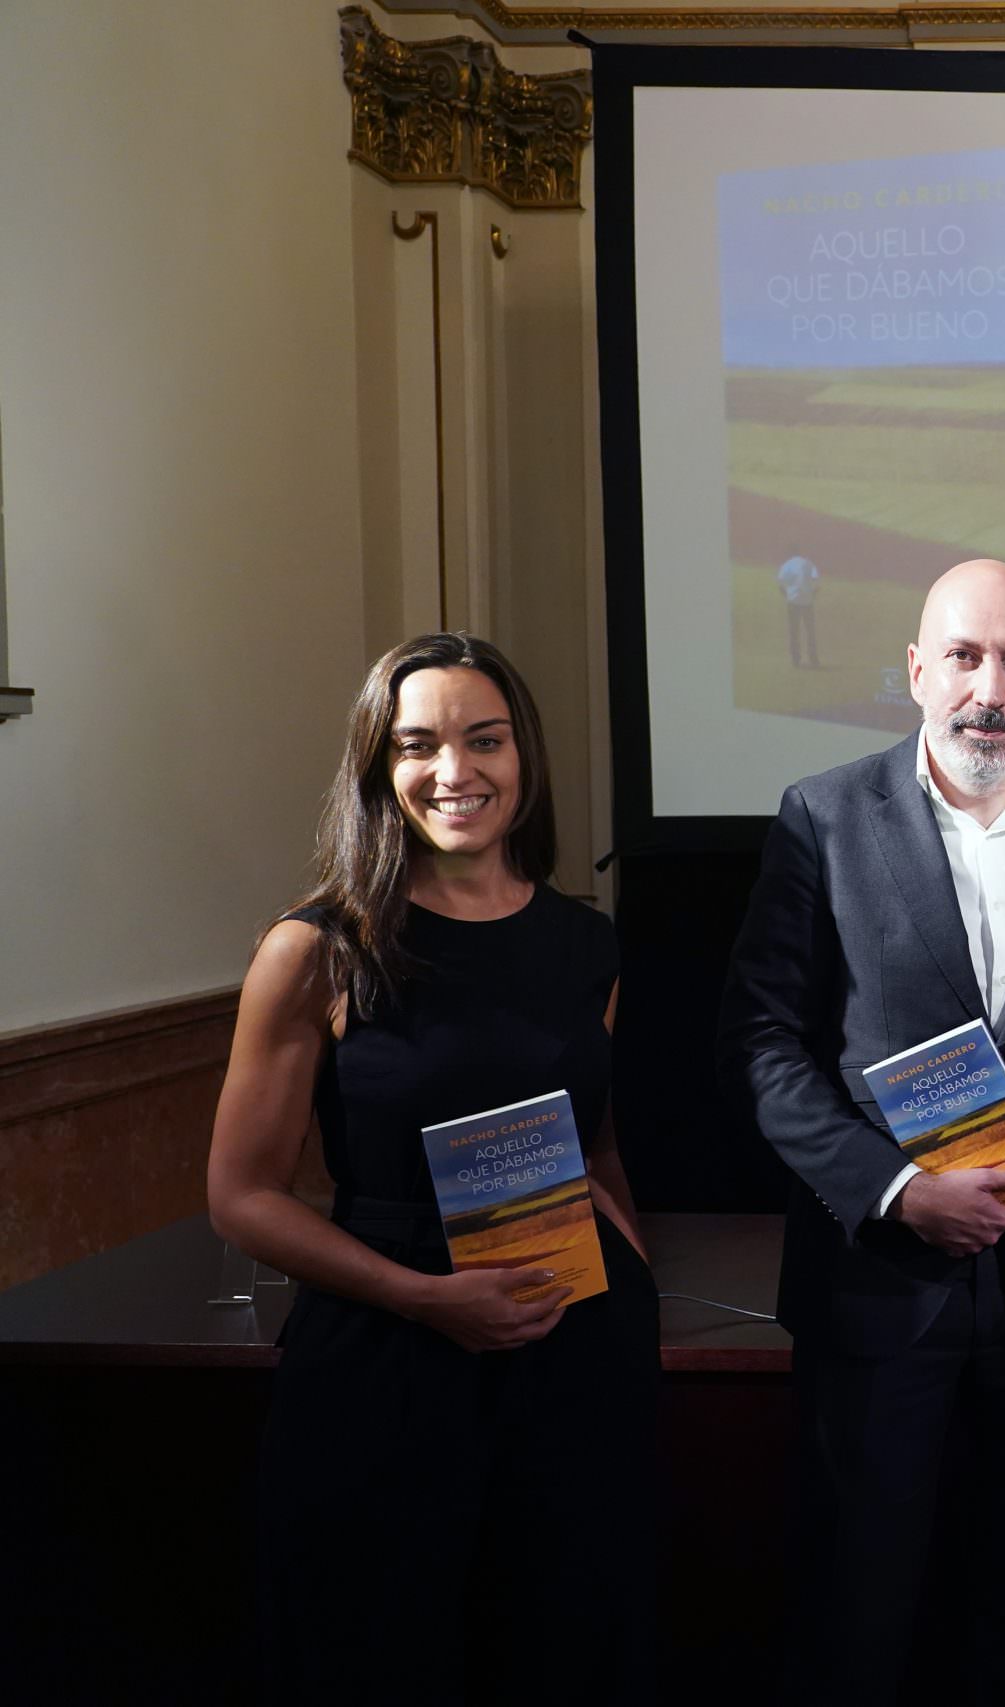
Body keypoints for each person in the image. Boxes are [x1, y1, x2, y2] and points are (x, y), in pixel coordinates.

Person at [720, 558, 1005, 1706]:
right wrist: (890, 1189)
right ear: (917, 671)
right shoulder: (822, 817)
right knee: (860, 1610)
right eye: (966, 658)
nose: (990, 687)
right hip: (882, 1278)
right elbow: (762, 1047)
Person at [207, 632, 658, 1706]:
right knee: (376, 1651)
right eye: (418, 745)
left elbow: (595, 1149)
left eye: (483, 740)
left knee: (564, 1648)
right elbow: (241, 1195)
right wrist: (423, 1299)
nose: (455, 771)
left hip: (570, 1356)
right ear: (378, 768)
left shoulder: (586, 945)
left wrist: (628, 1292)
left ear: (524, 757)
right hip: (384, 1354)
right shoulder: (318, 947)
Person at [779, 551, 821, 668]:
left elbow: (780, 583)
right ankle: (813, 658)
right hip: (807, 602)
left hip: (793, 601)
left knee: (794, 631)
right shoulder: (809, 563)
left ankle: (795, 659)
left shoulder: (787, 564)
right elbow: (817, 581)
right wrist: (812, 594)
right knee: (810, 631)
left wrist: (787, 595)